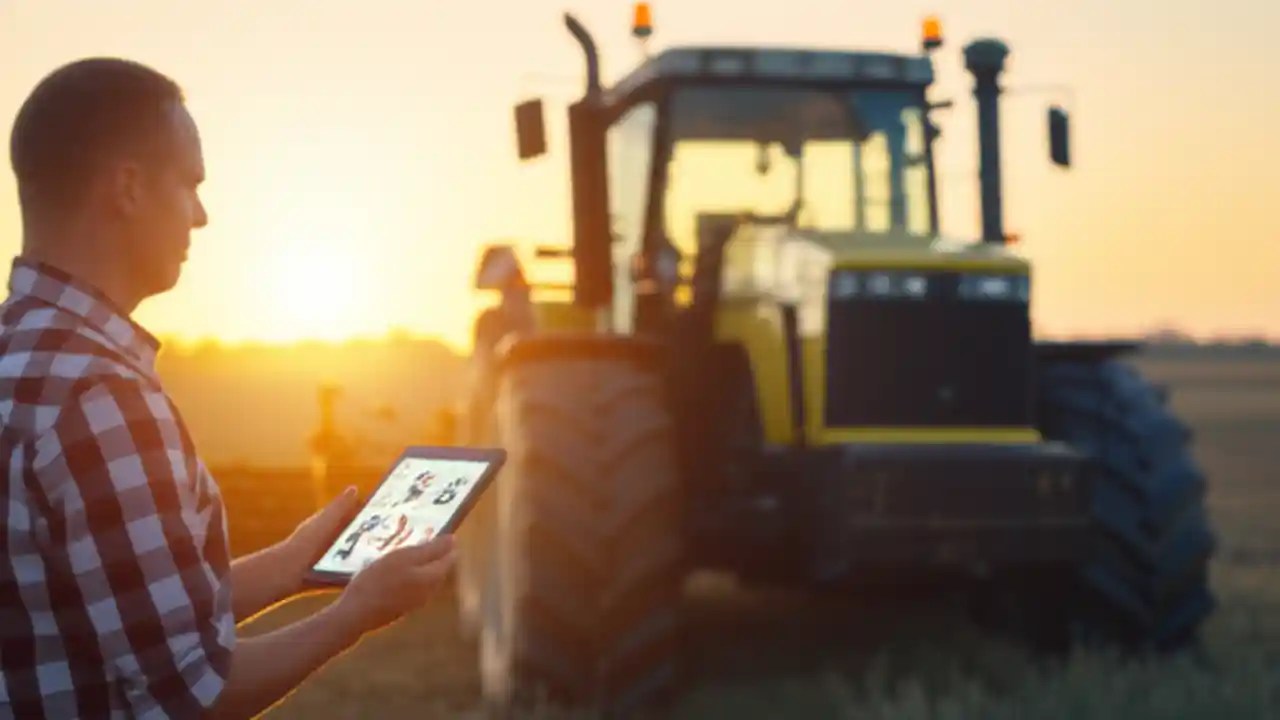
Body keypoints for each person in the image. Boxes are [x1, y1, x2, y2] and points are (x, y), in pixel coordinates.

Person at [0, 58, 456, 718]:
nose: (203, 215)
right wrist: (353, 615)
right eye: (189, 184)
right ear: (128, 188)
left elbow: (120, 618)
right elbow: (193, 696)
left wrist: (293, 566)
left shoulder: (20, 357)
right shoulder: (100, 398)